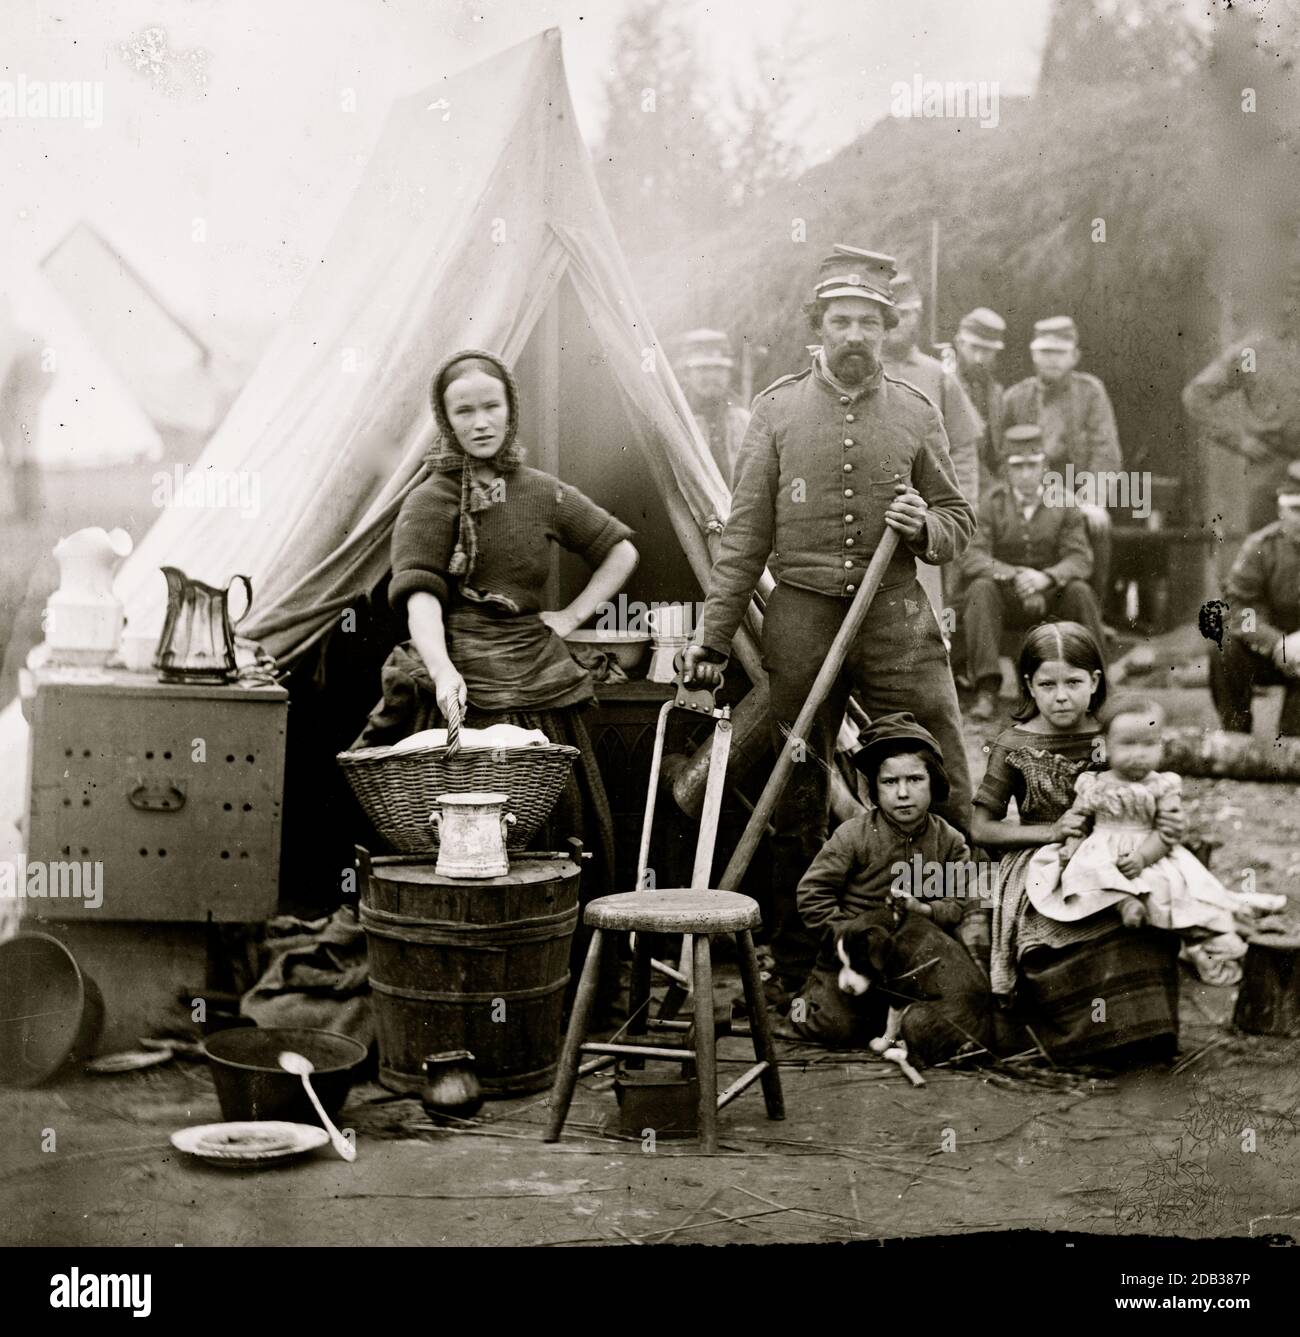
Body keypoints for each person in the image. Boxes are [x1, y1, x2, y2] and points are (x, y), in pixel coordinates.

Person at [682, 244, 976, 1010]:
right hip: (803, 613)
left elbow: (959, 519)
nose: (855, 334)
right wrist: (712, 642)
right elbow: (744, 538)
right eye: (840, 321)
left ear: (887, 329)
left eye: (869, 323)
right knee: (795, 782)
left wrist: (925, 526)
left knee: (936, 754)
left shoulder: (917, 409)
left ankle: (950, 939)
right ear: (818, 328)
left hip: (896, 611)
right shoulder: (777, 411)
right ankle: (799, 961)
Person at [364, 348, 640, 995]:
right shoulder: (430, 499)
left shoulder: (543, 491)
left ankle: (563, 989)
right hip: (466, 687)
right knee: (468, 840)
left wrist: (570, 615)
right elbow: (420, 598)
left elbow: (620, 547)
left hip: (539, 677)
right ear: (447, 419)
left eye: (492, 405)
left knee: (561, 828)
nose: (481, 420)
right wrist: (441, 669)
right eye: (466, 409)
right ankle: (473, 984)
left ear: (511, 409)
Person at [971, 622, 1186, 1065]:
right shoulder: (1014, 743)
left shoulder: (1113, 734)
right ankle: (1078, 1043)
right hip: (1040, 859)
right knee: (1064, 930)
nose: (1061, 696)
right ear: (1029, 684)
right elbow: (982, 828)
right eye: (1047, 685)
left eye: (1073, 682)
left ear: (1095, 680)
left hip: (1118, 847)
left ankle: (1146, 1037)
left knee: (1142, 915)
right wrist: (1049, 832)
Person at [1027, 697, 1282, 986]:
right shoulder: (1094, 783)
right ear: (1105, 746)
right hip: (1103, 848)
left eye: (1149, 744)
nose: (1139, 755)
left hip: (1149, 851)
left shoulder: (1162, 785)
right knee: (1086, 876)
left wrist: (1143, 857)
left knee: (1171, 891)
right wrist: (1070, 844)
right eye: (1128, 744)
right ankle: (1123, 904)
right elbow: (1079, 818)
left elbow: (1167, 832)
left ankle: (1189, 933)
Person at [786, 714, 975, 1045]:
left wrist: (925, 910)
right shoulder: (853, 836)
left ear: (936, 782)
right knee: (836, 1027)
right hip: (854, 962)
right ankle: (801, 1002)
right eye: (889, 782)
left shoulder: (951, 842)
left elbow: (958, 904)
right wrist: (847, 935)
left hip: (914, 965)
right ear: (872, 786)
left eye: (916, 779)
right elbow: (812, 893)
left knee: (944, 1022)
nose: (903, 793)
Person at [961, 424, 1107, 721]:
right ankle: (987, 689)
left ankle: (1099, 690)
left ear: (1044, 466)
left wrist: (1047, 578)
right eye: (1018, 467)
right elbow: (973, 556)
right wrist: (1015, 575)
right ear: (1006, 470)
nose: (1026, 474)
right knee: (979, 590)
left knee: (1081, 592)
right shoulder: (990, 504)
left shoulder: (1063, 502)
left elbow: (1079, 558)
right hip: (1006, 596)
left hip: (1053, 595)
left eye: (1032, 465)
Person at [881, 272, 983, 621]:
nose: (897, 322)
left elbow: (964, 449)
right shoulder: (858, 371)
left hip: (922, 522)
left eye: (906, 313)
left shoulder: (938, 376)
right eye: (891, 312)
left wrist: (961, 508)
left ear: (918, 316)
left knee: (922, 622)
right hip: (865, 520)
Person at [1001, 316, 1121, 607]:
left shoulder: (1090, 392)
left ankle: (1093, 609)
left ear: (1074, 356)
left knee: (1097, 527)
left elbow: (1105, 451)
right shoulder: (1015, 397)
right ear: (1033, 353)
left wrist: (1091, 500)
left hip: (1075, 494)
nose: (1051, 360)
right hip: (1025, 492)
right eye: (1045, 352)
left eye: (1059, 352)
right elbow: (1000, 455)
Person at [1182, 317, 1300, 533]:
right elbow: (1197, 395)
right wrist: (1238, 440)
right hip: (1273, 469)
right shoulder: (1252, 353)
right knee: (1267, 548)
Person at [1209, 473, 1300, 736]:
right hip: (1273, 650)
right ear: (1281, 511)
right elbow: (1238, 608)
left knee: (1293, 746)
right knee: (1224, 648)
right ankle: (1236, 741)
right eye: (1296, 509)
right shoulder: (1260, 547)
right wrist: (1276, 643)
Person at [675, 328, 751, 486]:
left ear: (729, 374)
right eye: (702, 369)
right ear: (686, 374)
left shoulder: (744, 422)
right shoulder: (675, 420)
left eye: (718, 369)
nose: (712, 376)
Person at [946, 306, 1007, 491]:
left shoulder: (995, 393)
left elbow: (996, 454)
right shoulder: (944, 385)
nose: (980, 358)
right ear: (959, 343)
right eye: (974, 348)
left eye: (987, 350)